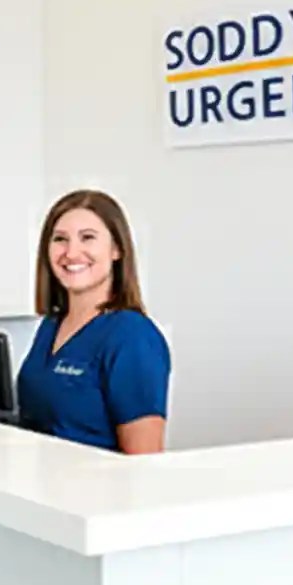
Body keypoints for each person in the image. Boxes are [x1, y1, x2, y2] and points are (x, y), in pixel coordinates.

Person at [17, 189, 171, 454]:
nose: (72, 252)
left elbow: (144, 462)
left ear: (116, 249)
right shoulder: (51, 326)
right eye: (60, 239)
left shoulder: (132, 336)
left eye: (87, 238)